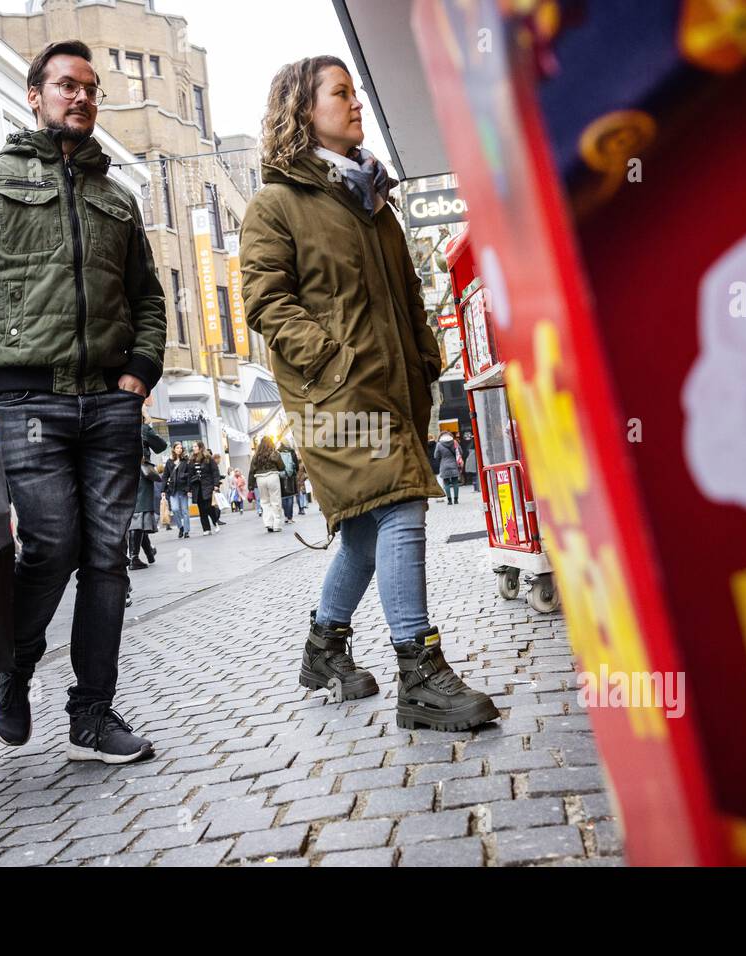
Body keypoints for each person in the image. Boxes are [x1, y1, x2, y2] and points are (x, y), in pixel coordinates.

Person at [0, 39, 166, 765]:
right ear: (34, 95)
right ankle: (16, 669)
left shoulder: (115, 197)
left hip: (110, 402)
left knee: (107, 561)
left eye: (90, 88)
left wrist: (142, 369)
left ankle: (91, 716)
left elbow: (148, 296)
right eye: (66, 85)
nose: (81, 97)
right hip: (27, 396)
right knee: (53, 544)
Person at [241, 55, 498, 731]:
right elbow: (267, 304)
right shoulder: (276, 204)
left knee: (364, 528)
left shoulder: (373, 202)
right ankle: (420, 670)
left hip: (394, 390)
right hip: (332, 400)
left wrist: (425, 359)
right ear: (303, 111)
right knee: (404, 505)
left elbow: (409, 296)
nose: (356, 104)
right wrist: (332, 362)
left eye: (357, 93)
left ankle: (323, 650)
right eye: (341, 94)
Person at [129, 415, 167, 570]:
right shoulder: (143, 429)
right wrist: (147, 424)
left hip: (121, 476)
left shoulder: (117, 426)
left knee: (136, 516)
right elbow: (161, 445)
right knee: (139, 515)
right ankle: (134, 558)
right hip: (140, 475)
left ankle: (149, 552)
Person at [248, 436, 285, 532]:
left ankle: (268, 523)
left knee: (265, 501)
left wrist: (250, 486)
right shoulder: (275, 453)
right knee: (275, 500)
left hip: (260, 478)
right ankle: (276, 524)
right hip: (273, 476)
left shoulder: (256, 456)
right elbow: (282, 467)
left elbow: (252, 471)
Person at [189, 440, 222, 535]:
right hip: (197, 487)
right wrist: (189, 489)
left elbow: (215, 472)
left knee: (209, 507)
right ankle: (206, 529)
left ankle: (215, 523)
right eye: (193, 447)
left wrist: (216, 484)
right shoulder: (191, 460)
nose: (194, 448)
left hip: (208, 485)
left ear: (200, 447)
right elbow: (190, 475)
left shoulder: (208, 458)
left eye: (195, 446)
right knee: (201, 509)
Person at [163, 441, 192, 538]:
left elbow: (190, 475)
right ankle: (181, 527)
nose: (179, 449)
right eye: (177, 448)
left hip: (183, 489)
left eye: (180, 448)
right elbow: (165, 476)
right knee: (175, 509)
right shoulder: (169, 461)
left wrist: (189, 489)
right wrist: (163, 490)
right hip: (173, 489)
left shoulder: (185, 460)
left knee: (185, 511)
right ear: (174, 449)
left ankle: (187, 531)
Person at [435, 430, 463, 505]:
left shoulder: (439, 444)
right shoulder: (454, 442)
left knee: (446, 483)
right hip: (454, 464)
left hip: (444, 465)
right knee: (455, 482)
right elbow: (461, 452)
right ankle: (456, 500)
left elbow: (436, 456)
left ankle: (449, 501)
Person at [278, 439, 298, 524]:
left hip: (281, 476)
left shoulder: (278, 451)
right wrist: (294, 471)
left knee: (283, 497)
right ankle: (290, 517)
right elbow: (296, 464)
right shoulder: (292, 451)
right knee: (290, 497)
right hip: (290, 476)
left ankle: (286, 516)